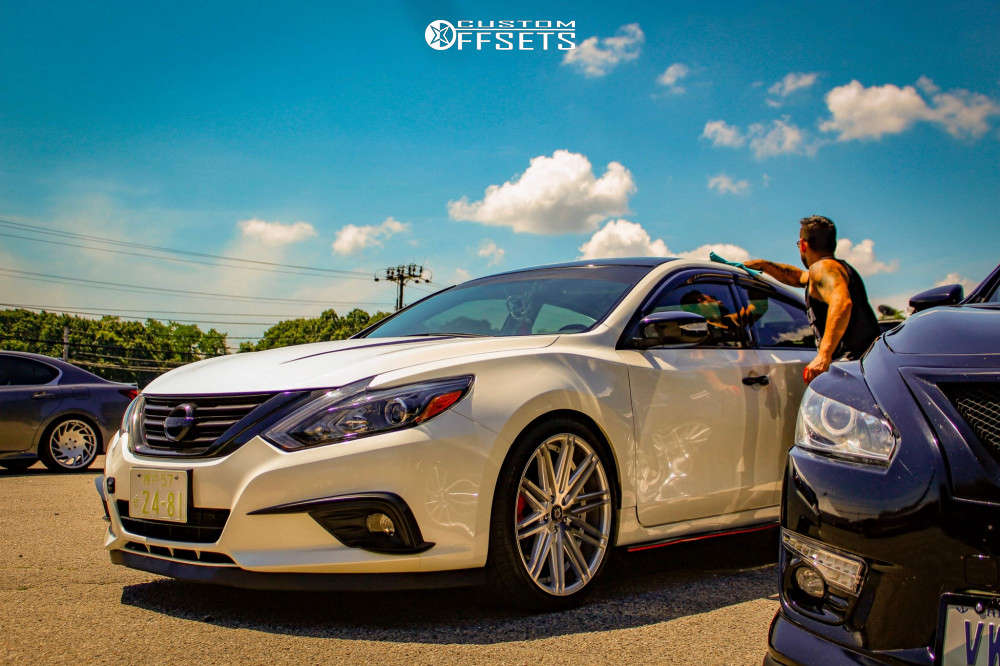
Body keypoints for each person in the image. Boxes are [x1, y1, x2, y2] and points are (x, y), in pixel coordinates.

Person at [744, 215, 880, 383]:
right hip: (868, 364)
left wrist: (824, 355)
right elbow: (798, 276)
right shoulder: (830, 269)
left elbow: (842, 303)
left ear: (803, 244)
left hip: (853, 365)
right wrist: (764, 265)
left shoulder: (823, 268)